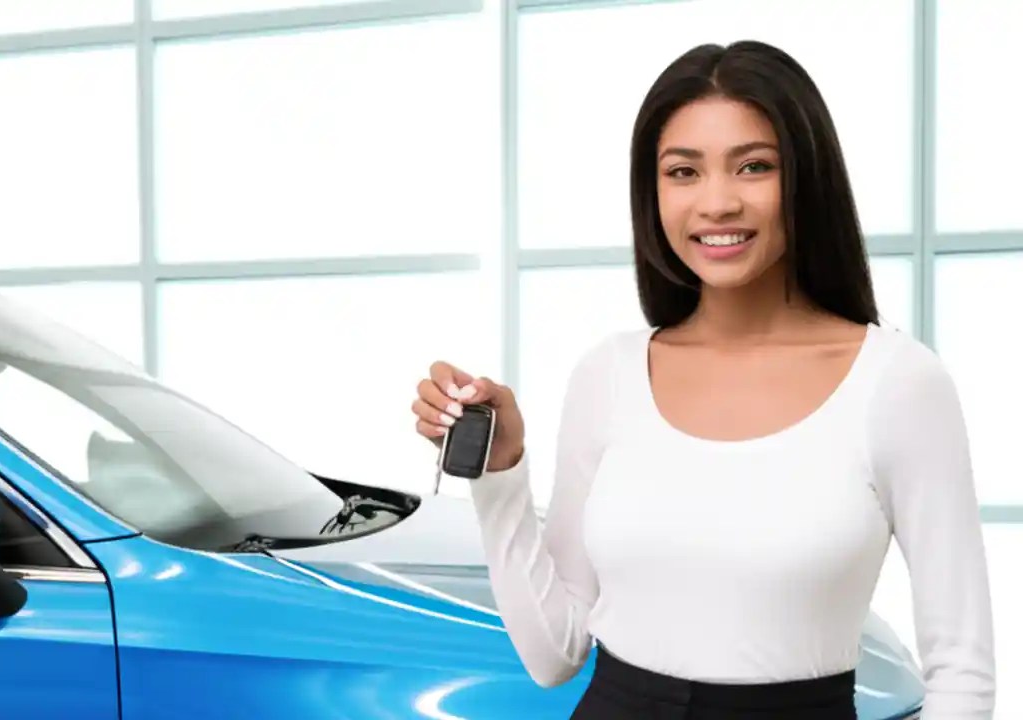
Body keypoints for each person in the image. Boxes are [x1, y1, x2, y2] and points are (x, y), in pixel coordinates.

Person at [412, 40, 995, 719]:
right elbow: (555, 655)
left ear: (807, 178)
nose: (717, 202)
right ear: (652, 192)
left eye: (753, 167)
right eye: (683, 173)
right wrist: (500, 473)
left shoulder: (898, 384)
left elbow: (962, 672)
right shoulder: (608, 375)